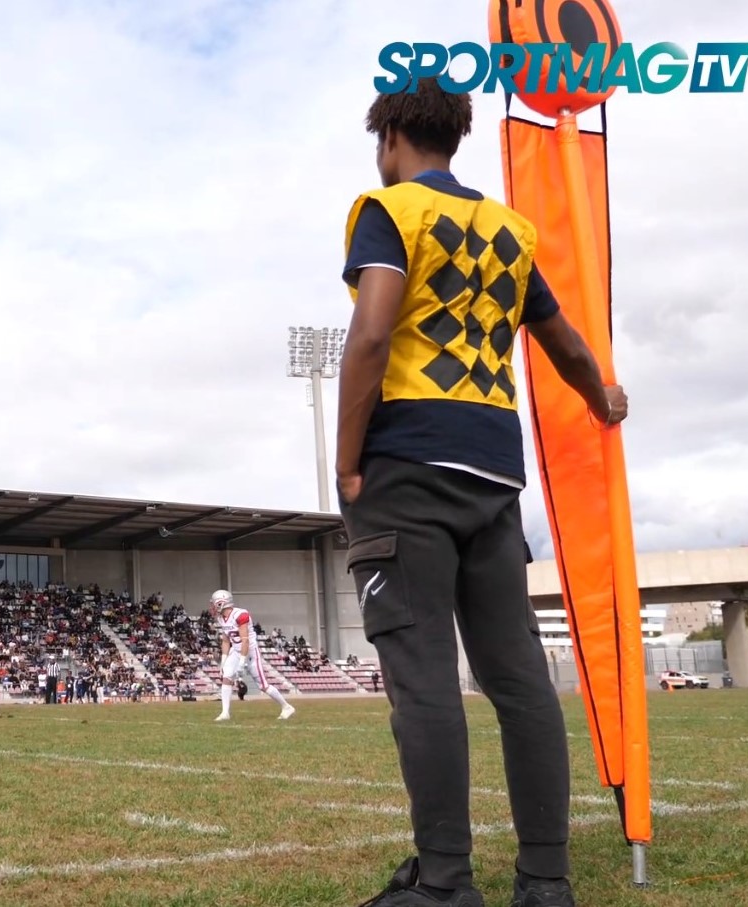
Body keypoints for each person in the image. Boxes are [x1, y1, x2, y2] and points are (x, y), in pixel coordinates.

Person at [335, 78, 628, 907]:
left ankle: (444, 885)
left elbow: (371, 331)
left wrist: (346, 462)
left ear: (390, 138)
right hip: (494, 468)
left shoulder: (387, 209)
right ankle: (544, 879)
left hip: (406, 464)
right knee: (517, 678)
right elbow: (561, 338)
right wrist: (600, 395)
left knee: (423, 679)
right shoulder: (509, 229)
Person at [210, 590, 296, 722]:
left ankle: (286, 707)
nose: (213, 607)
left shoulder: (240, 615)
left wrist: (242, 662)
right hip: (236, 651)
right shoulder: (221, 618)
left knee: (263, 686)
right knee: (226, 677)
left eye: (215, 604)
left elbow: (245, 640)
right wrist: (223, 661)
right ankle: (225, 712)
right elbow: (226, 640)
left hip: (250, 652)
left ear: (222, 603)